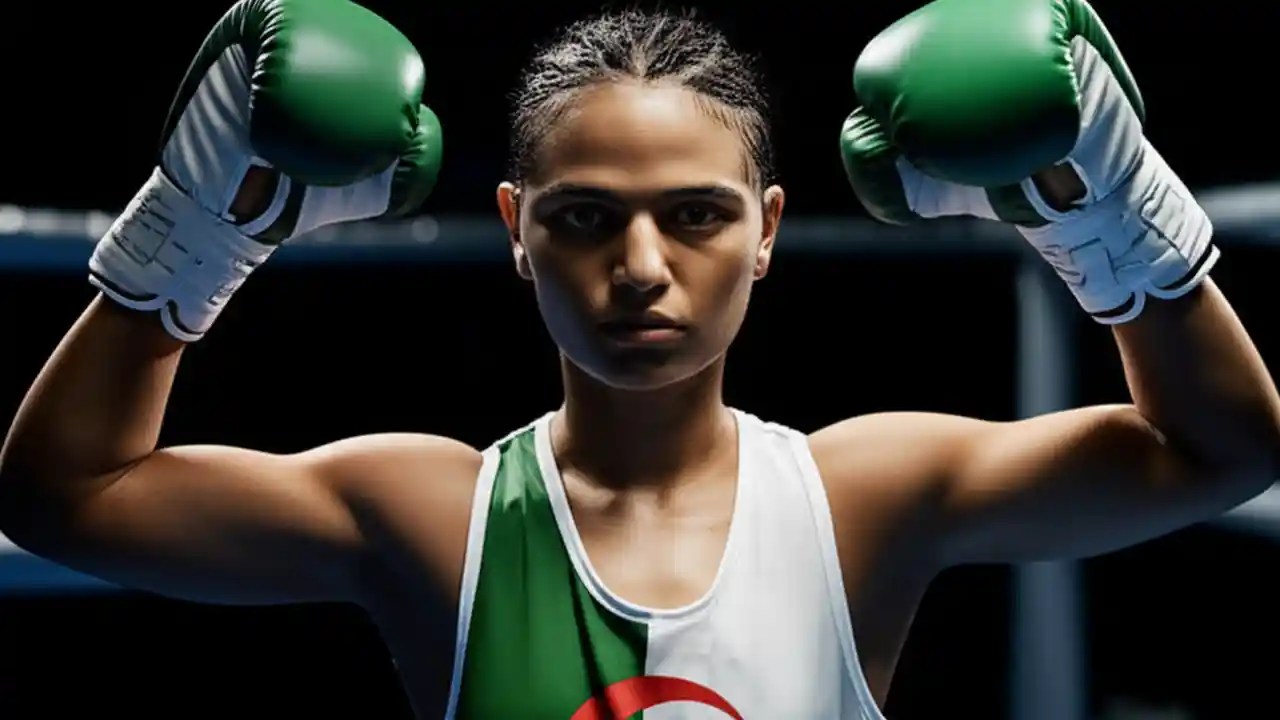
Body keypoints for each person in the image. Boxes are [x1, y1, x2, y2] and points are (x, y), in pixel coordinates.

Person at [2, 0, 1277, 717]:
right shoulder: (429, 514)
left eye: (696, 213)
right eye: (584, 217)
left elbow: (1217, 449)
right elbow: (63, 496)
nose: (642, 266)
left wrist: (1104, 208)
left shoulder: (857, 499)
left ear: (765, 231)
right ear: (517, 232)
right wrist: (201, 226)